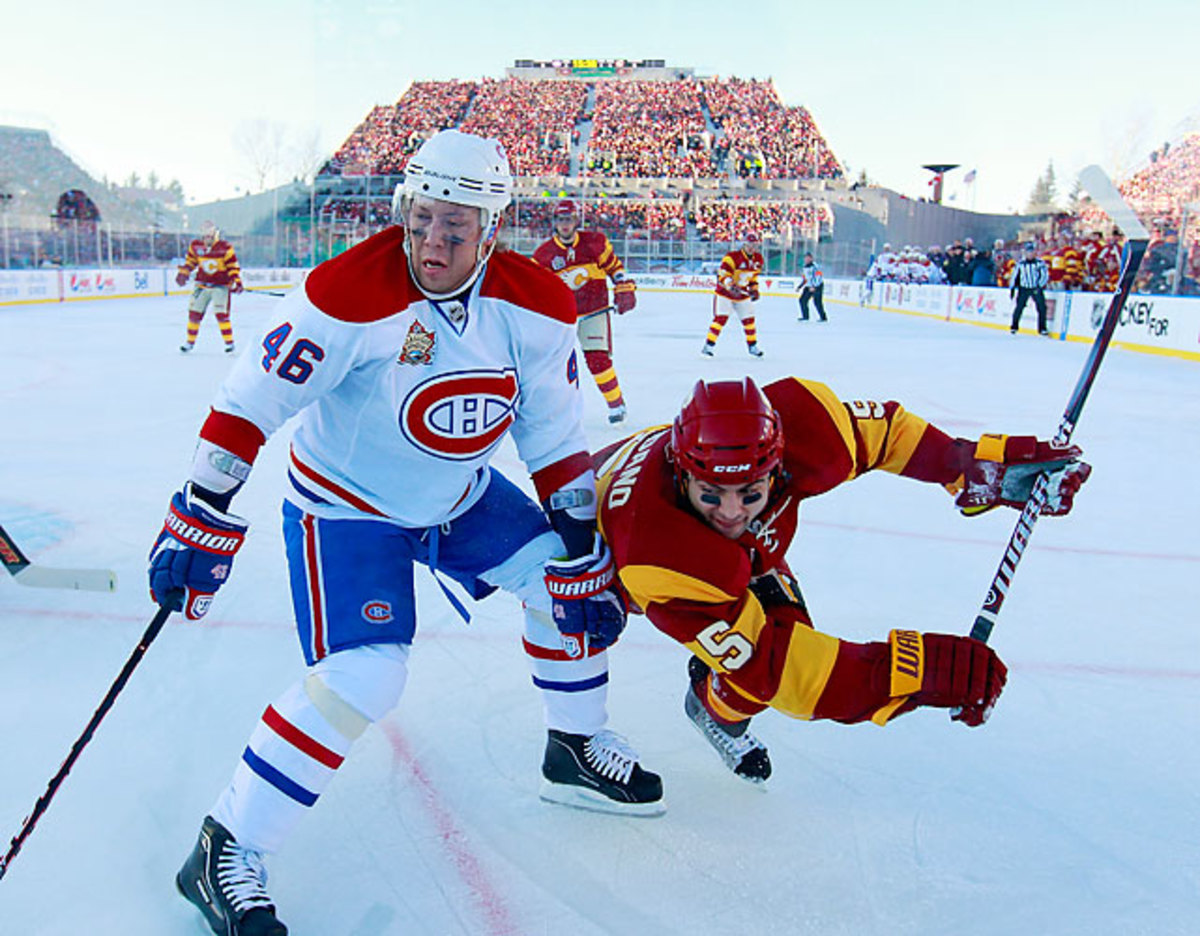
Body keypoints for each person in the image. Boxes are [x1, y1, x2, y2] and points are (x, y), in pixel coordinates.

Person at [149, 129, 662, 936]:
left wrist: (582, 538)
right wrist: (199, 509)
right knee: (365, 676)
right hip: (347, 507)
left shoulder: (536, 302)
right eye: (419, 218)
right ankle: (225, 846)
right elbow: (250, 403)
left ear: (491, 227)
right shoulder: (349, 292)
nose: (431, 241)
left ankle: (573, 745)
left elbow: (555, 437)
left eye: (454, 226)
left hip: (460, 496)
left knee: (568, 583)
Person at [594, 376, 1089, 783]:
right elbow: (777, 669)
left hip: (699, 550)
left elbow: (886, 434)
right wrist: (912, 671)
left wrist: (970, 465)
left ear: (777, 464)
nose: (731, 514)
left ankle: (715, 698)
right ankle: (711, 709)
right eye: (711, 493)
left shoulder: (806, 427)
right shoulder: (660, 553)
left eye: (751, 493)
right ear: (682, 474)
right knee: (754, 670)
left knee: (785, 620)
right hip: (610, 565)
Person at [532, 198, 637, 423]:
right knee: (554, 363)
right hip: (561, 315)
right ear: (555, 223)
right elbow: (535, 287)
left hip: (594, 310)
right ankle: (557, 410)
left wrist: (623, 286)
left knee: (598, 359)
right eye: (561, 220)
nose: (565, 225)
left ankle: (616, 404)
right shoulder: (543, 254)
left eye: (569, 219)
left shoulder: (594, 243)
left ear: (576, 221)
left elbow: (615, 268)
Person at [176, 220, 244, 353]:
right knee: (194, 314)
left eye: (210, 236)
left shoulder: (225, 247)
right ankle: (189, 342)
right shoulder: (196, 246)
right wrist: (184, 272)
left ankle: (229, 343)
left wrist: (236, 281)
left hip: (220, 287)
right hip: (201, 286)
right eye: (205, 236)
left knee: (221, 315)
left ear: (215, 234)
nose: (208, 239)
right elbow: (191, 261)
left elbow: (232, 267)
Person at [702, 231, 764, 358]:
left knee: (749, 321)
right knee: (721, 319)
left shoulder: (758, 259)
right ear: (744, 245)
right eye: (749, 245)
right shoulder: (732, 257)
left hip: (742, 294)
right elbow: (723, 274)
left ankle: (752, 346)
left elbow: (753, 278)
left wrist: (754, 289)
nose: (751, 248)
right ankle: (709, 345)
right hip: (725, 293)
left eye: (754, 245)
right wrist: (730, 285)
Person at [1009, 242, 1050, 335]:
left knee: (1042, 308)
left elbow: (1044, 275)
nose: (1030, 254)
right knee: (1019, 307)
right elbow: (1015, 275)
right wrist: (1012, 288)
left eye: (1032, 252)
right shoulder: (1020, 264)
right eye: (1028, 252)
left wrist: (1039, 286)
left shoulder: (1040, 263)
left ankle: (1042, 328)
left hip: (1036, 287)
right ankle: (1014, 326)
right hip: (1023, 288)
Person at [796, 251, 827, 322]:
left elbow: (818, 277)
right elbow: (805, 278)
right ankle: (805, 316)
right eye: (805, 258)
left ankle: (823, 317)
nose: (806, 259)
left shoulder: (815, 267)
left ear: (811, 259)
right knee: (802, 300)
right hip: (808, 286)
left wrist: (814, 287)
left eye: (808, 258)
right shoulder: (805, 267)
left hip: (817, 286)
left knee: (817, 302)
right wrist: (800, 286)